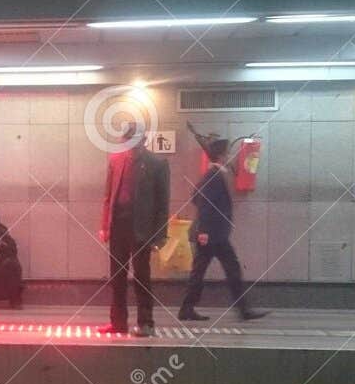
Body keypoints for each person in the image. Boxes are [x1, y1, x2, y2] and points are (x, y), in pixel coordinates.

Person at [178, 137, 268, 323]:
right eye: (227, 153)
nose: (229, 157)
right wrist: (204, 230)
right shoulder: (213, 176)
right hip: (212, 235)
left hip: (213, 233)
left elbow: (196, 196)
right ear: (221, 155)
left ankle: (187, 309)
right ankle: (243, 311)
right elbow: (203, 203)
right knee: (230, 269)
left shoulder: (211, 175)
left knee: (201, 271)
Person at [98, 122, 169, 336]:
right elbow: (108, 197)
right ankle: (118, 322)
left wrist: (159, 236)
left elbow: (162, 203)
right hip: (118, 225)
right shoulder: (115, 160)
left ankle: (146, 323)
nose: (130, 142)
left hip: (142, 229)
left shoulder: (157, 163)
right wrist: (104, 226)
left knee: (141, 277)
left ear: (142, 139)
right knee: (117, 277)